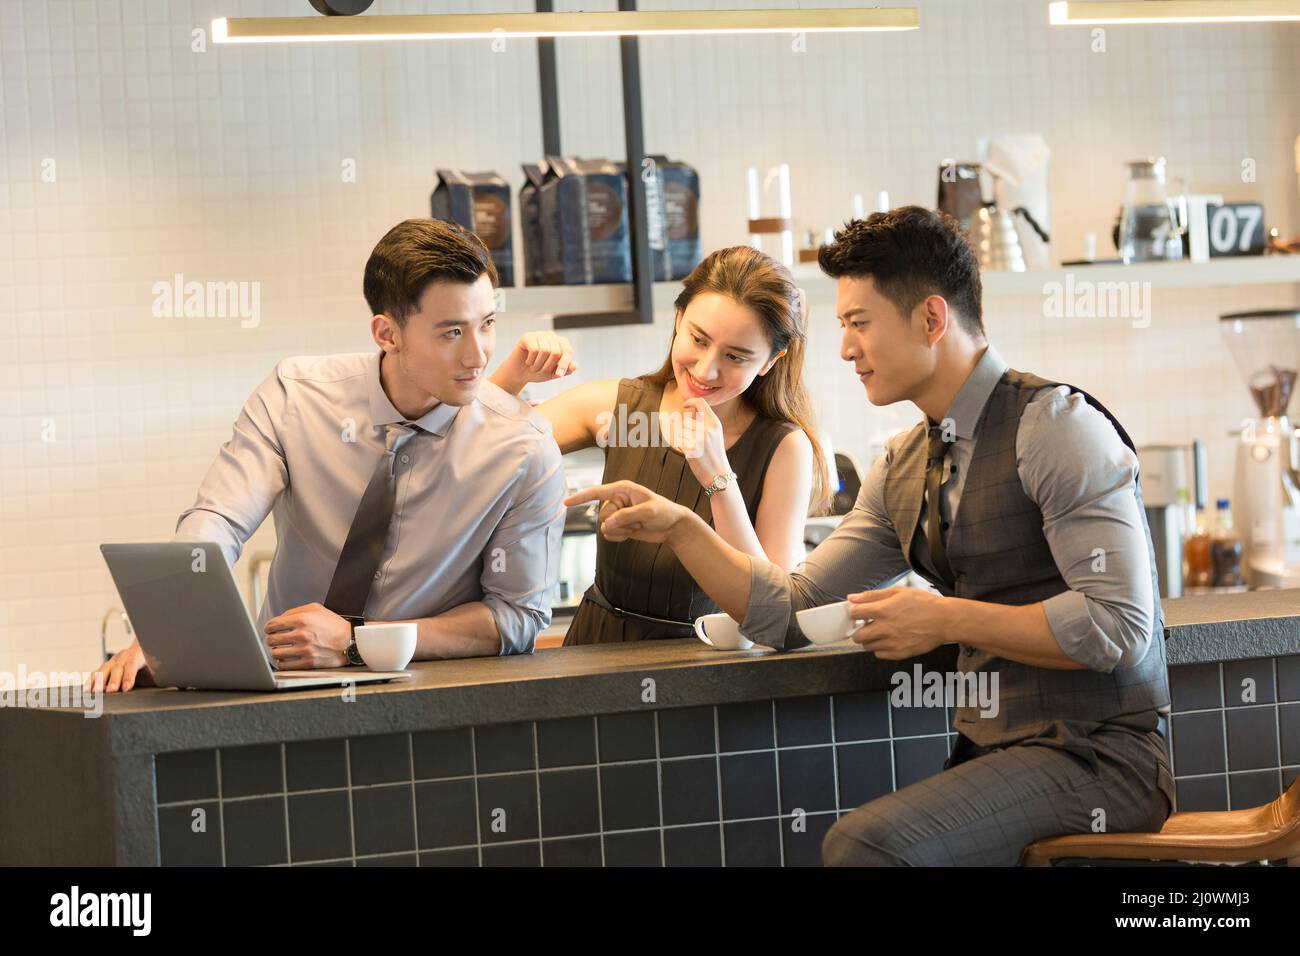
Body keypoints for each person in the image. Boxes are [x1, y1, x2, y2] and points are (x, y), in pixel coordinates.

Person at [565, 207, 1175, 865]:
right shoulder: (904, 464)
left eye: (859, 324)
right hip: (996, 749)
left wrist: (942, 619)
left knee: (864, 845)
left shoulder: (1055, 427)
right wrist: (685, 528)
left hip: (1101, 756)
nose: (845, 348)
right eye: (841, 327)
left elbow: (1118, 625)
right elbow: (786, 614)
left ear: (931, 319)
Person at [92, 218, 566, 692]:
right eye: (451, 333)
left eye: (486, 324)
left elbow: (516, 618)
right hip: (277, 691)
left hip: (427, 698)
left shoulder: (524, 447)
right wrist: (167, 633)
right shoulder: (295, 398)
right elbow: (219, 519)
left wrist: (357, 642)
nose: (478, 356)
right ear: (387, 333)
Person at [490, 245, 830, 645]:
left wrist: (717, 476)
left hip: (712, 665)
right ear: (679, 318)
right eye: (699, 340)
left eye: (736, 356)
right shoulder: (618, 407)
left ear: (770, 361)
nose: (706, 369)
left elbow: (775, 614)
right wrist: (513, 373)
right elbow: (481, 448)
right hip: (596, 649)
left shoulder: (784, 447)